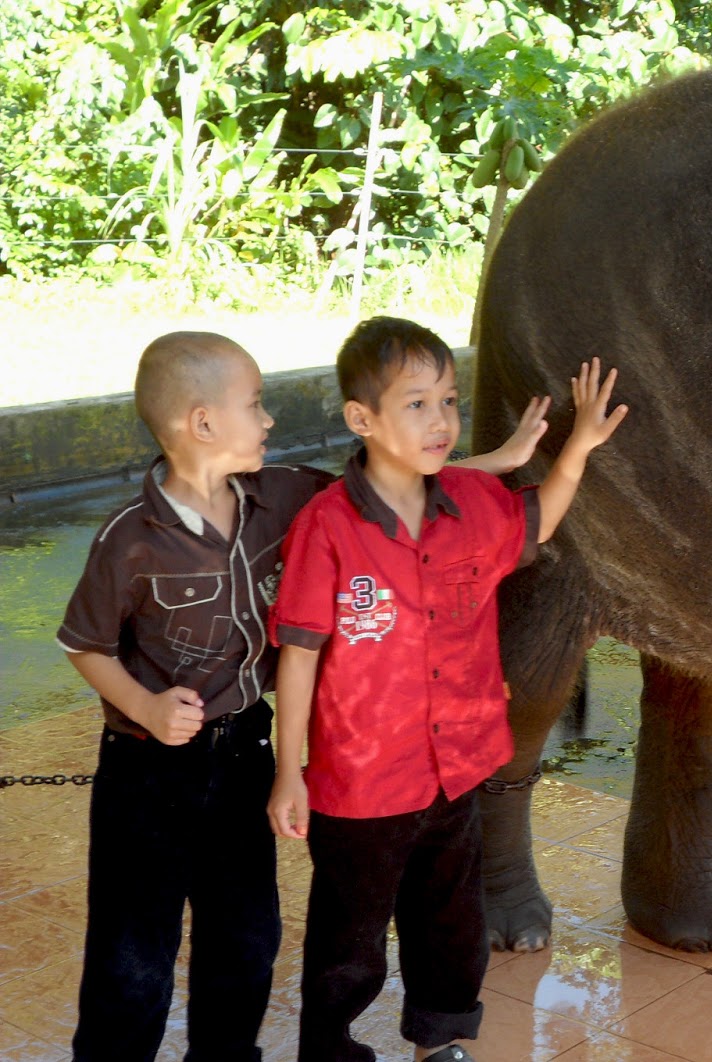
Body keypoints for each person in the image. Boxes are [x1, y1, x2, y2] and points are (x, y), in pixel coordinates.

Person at [56, 330, 546, 1062]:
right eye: (255, 405)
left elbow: (394, 477)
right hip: (147, 769)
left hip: (245, 746)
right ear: (203, 423)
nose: (269, 420)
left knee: (245, 934)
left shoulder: (280, 494)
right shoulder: (130, 539)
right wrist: (148, 706)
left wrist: (496, 461)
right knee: (134, 948)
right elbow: (84, 644)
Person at [266, 316, 626, 1062]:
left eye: (450, 402)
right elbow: (297, 656)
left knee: (451, 921)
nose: (441, 421)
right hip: (358, 785)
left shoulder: (469, 500)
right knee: (349, 938)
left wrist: (578, 450)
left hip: (456, 767)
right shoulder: (327, 527)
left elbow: (537, 523)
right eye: (418, 403)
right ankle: (329, 1047)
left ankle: (442, 1038)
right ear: (362, 418)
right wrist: (288, 771)